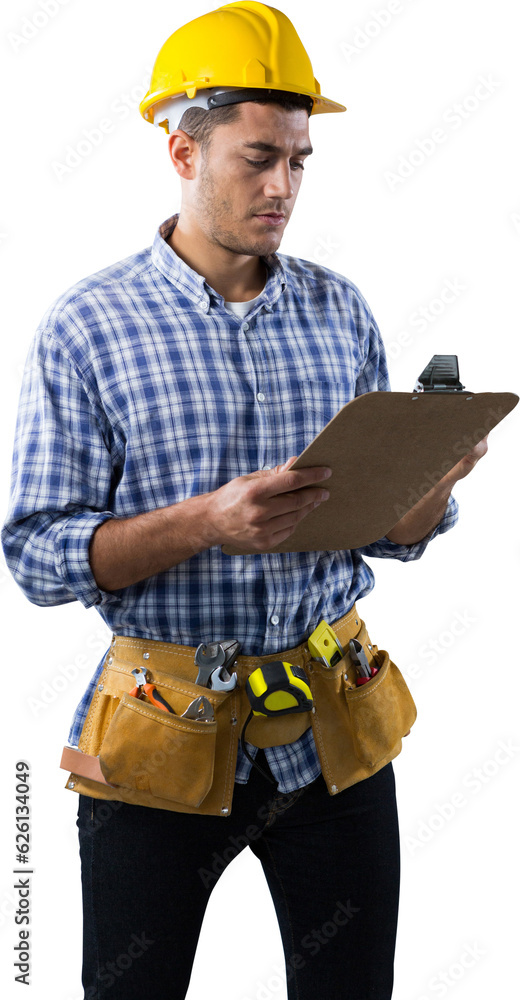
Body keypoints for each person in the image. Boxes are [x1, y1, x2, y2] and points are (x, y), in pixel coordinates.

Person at [2, 3, 488, 998]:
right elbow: (38, 556)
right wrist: (203, 524)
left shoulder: (338, 308)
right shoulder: (88, 327)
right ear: (181, 149)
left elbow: (388, 538)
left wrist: (429, 481)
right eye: (257, 157)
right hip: (154, 737)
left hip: (332, 727)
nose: (284, 186)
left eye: (301, 160)